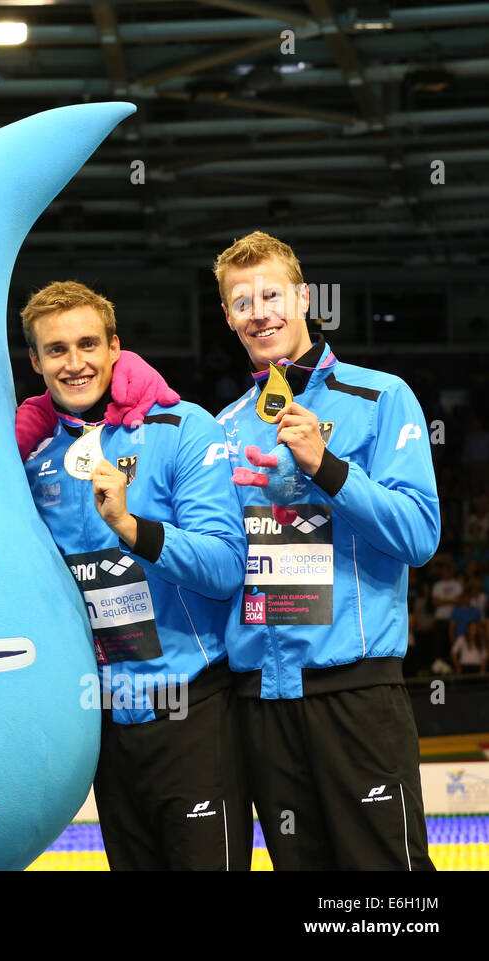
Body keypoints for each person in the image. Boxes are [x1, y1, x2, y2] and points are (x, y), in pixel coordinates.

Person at [213, 230, 440, 870]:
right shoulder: (226, 427)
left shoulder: (382, 397)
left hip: (355, 692)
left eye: (272, 294)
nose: (260, 312)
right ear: (228, 317)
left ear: (305, 297)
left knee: (387, 895)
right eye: (241, 301)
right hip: (261, 702)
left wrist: (328, 467)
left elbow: (420, 536)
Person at [16, 280, 250, 870]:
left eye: (88, 344)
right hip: (103, 725)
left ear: (116, 346)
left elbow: (225, 568)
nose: (75, 363)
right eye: (57, 350)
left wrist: (129, 524)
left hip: (192, 713)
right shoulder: (30, 458)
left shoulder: (184, 429)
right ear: (36, 361)